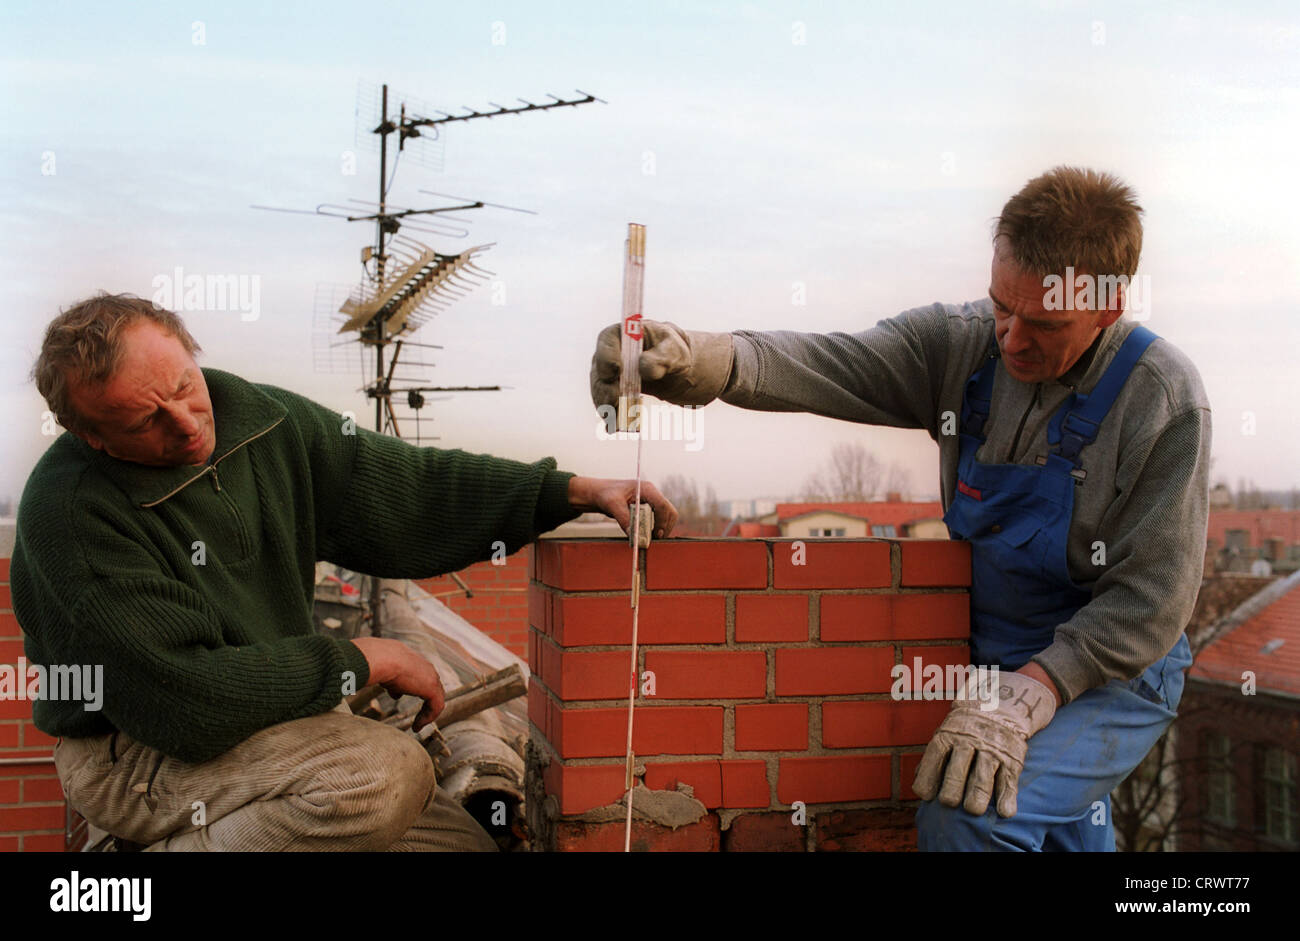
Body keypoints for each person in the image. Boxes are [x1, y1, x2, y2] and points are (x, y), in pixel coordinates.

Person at [590, 166, 1211, 851]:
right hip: (991, 658)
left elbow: (1152, 600)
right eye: (1001, 305)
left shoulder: (1162, 398)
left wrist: (1031, 695)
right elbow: (828, 362)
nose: (1010, 338)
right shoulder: (962, 347)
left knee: (969, 816)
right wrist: (693, 360)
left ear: (1110, 303)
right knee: (1057, 831)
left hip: (1110, 673)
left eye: (1043, 322)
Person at [12, 292, 677, 851]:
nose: (185, 425)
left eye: (186, 386)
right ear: (91, 436)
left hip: (273, 720)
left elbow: (409, 492)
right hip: (139, 752)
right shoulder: (71, 515)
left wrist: (570, 493)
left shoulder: (260, 423)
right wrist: (358, 660)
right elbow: (186, 701)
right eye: (144, 420)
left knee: (466, 844)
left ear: (192, 355)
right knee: (381, 774)